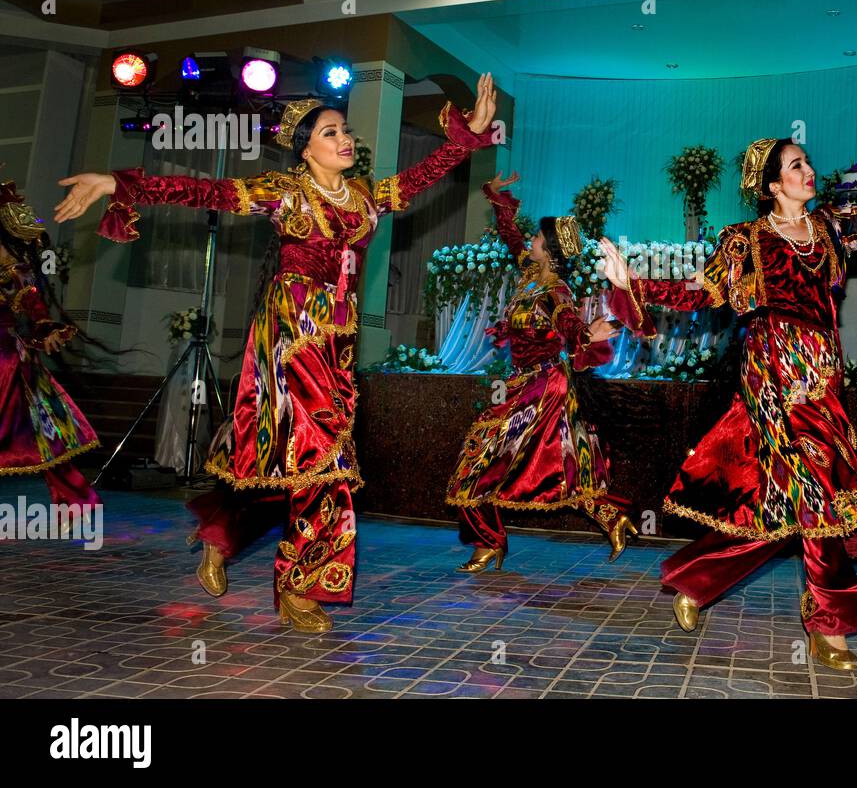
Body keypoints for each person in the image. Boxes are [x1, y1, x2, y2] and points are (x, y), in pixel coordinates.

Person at [54, 74, 498, 631]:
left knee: (282, 468)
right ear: (305, 146)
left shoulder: (363, 196)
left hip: (336, 346)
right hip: (290, 341)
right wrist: (116, 182)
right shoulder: (285, 193)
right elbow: (202, 193)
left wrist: (468, 136)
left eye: (346, 131)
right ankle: (299, 585)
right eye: (331, 132)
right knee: (324, 466)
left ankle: (219, 535)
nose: (345, 140)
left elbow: (419, 177)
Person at [600, 85, 857, 670]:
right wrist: (631, 282)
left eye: (807, 162)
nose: (808, 170)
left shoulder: (834, 228)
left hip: (823, 375)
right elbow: (700, 292)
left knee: (792, 501)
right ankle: (829, 625)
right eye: (795, 165)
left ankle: (694, 579)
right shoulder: (746, 240)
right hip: (772, 374)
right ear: (770, 184)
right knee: (817, 494)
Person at [446, 172, 635, 571]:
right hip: (525, 384)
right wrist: (497, 198)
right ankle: (612, 519)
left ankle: (487, 541)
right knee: (557, 463)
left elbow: (568, 326)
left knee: (484, 455)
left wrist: (589, 333)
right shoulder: (532, 276)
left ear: (548, 251)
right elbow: (511, 237)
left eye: (536, 238)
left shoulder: (555, 293)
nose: (528, 241)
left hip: (543, 386)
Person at [0, 180, 100, 529]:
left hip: (5, 354)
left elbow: (28, 295)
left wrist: (45, 326)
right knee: (38, 431)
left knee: (40, 430)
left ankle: (76, 501)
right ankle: (77, 500)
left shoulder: (6, 252)